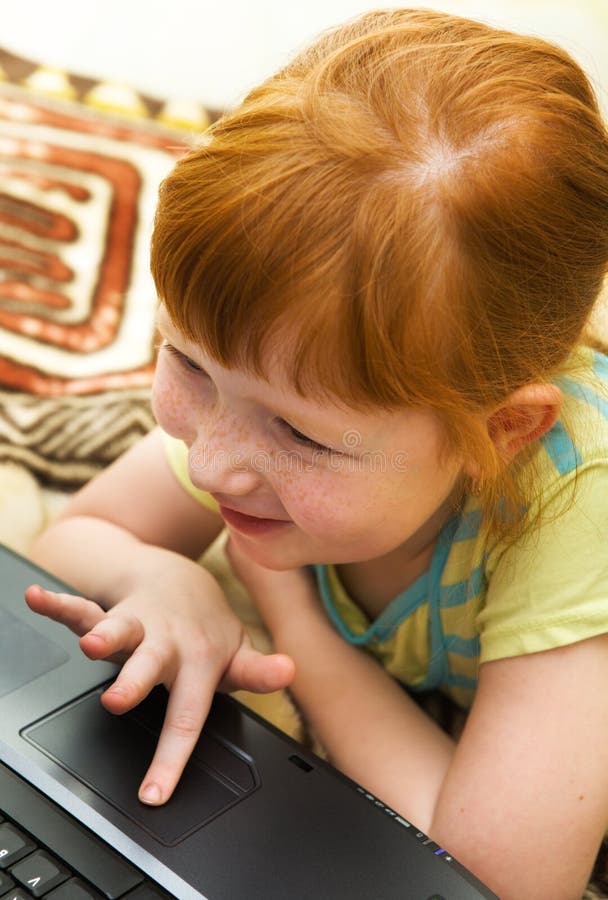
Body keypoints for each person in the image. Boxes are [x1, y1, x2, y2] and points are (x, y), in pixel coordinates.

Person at [25, 8, 608, 898]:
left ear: (499, 433)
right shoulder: (265, 397)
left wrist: (293, 618)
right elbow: (76, 537)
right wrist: (162, 579)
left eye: (300, 434)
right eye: (185, 362)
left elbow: (498, 879)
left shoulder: (577, 503)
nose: (211, 465)